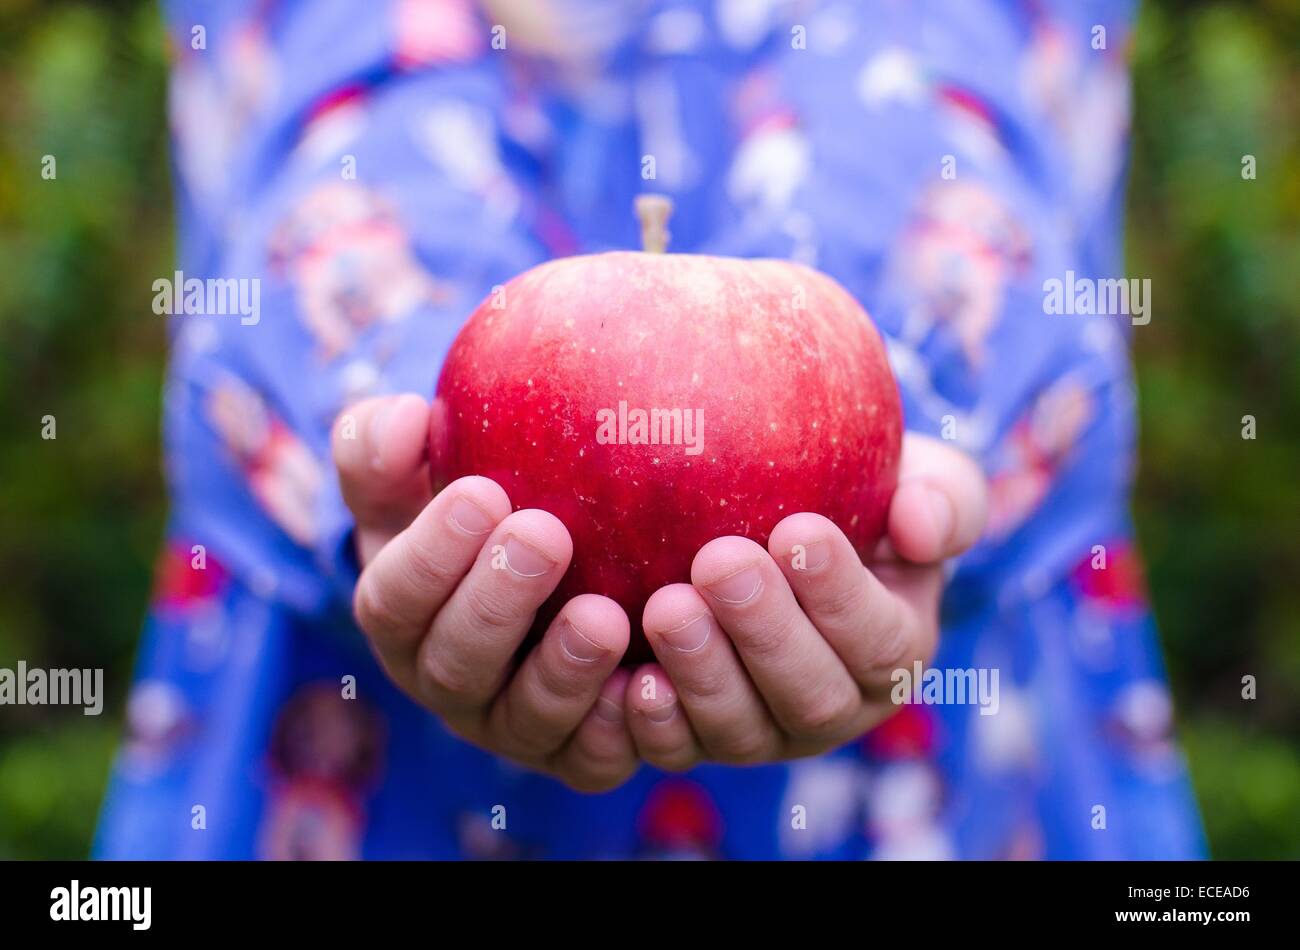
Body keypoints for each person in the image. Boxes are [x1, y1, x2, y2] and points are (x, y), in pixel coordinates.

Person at [95, 0, 1205, 859]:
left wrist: (907, 420)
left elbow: (937, 89)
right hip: (375, 744)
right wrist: (412, 434)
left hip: (941, 734)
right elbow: (339, 125)